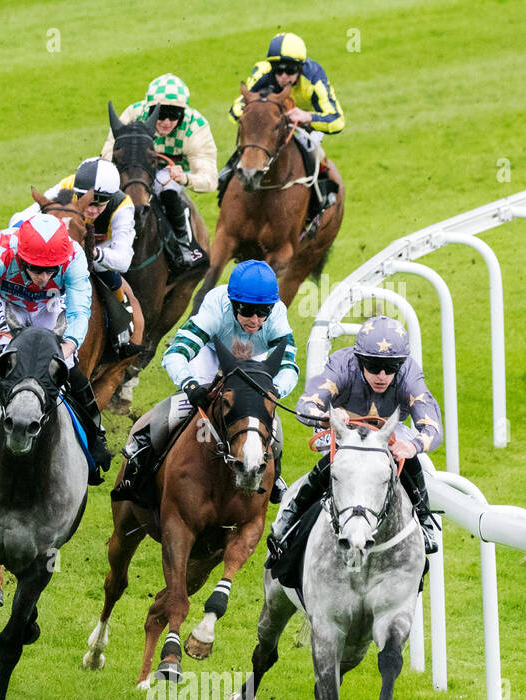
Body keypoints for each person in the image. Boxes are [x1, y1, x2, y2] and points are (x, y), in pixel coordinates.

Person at [0, 213, 112, 484]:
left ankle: (95, 437)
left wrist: (69, 345)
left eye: (51, 270)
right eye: (35, 269)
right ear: (20, 258)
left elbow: (80, 311)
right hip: (6, 303)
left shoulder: (74, 257)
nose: (43, 278)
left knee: (66, 368)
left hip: (51, 306)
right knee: (3, 362)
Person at [118, 260, 297, 504]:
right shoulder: (216, 308)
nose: (255, 320)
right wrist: (190, 386)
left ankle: (275, 475)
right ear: (233, 304)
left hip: (253, 361)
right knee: (180, 408)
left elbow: (289, 367)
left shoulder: (277, 315)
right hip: (211, 353)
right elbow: (176, 353)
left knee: (269, 419)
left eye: (262, 311)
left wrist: (272, 391)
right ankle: (140, 457)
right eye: (246, 310)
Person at [269, 314, 443, 556]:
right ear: (359, 360)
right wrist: (328, 417)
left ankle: (424, 521)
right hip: (344, 429)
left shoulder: (409, 372)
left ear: (400, 365)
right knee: (343, 459)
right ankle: (291, 517)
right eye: (373, 367)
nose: (382, 375)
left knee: (407, 454)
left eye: (390, 368)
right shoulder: (342, 364)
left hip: (385, 430)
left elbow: (433, 427)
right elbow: (305, 405)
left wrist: (412, 447)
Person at [8, 157, 145, 360]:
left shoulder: (123, 205)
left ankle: (121, 337)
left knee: (117, 285)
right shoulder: (65, 186)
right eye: (87, 199)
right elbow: (17, 220)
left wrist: (92, 252)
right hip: (52, 256)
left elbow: (123, 260)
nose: (91, 208)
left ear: (112, 197)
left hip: (97, 256)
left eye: (100, 204)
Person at [227, 32, 345, 233]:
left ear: (300, 68)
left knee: (311, 149)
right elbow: (236, 110)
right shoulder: (262, 73)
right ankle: (225, 184)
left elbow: (337, 120)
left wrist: (308, 117)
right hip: (272, 123)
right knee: (249, 148)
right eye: (278, 70)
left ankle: (320, 202)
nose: (283, 77)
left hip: (306, 125)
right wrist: (259, 114)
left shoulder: (314, 78)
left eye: (290, 71)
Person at [102, 74, 216, 274]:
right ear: (149, 110)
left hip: (169, 175)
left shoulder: (195, 127)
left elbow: (210, 179)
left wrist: (186, 178)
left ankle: (185, 245)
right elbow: (108, 152)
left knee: (167, 185)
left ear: (183, 114)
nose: (166, 122)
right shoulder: (134, 113)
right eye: (160, 114)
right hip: (135, 171)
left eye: (174, 116)